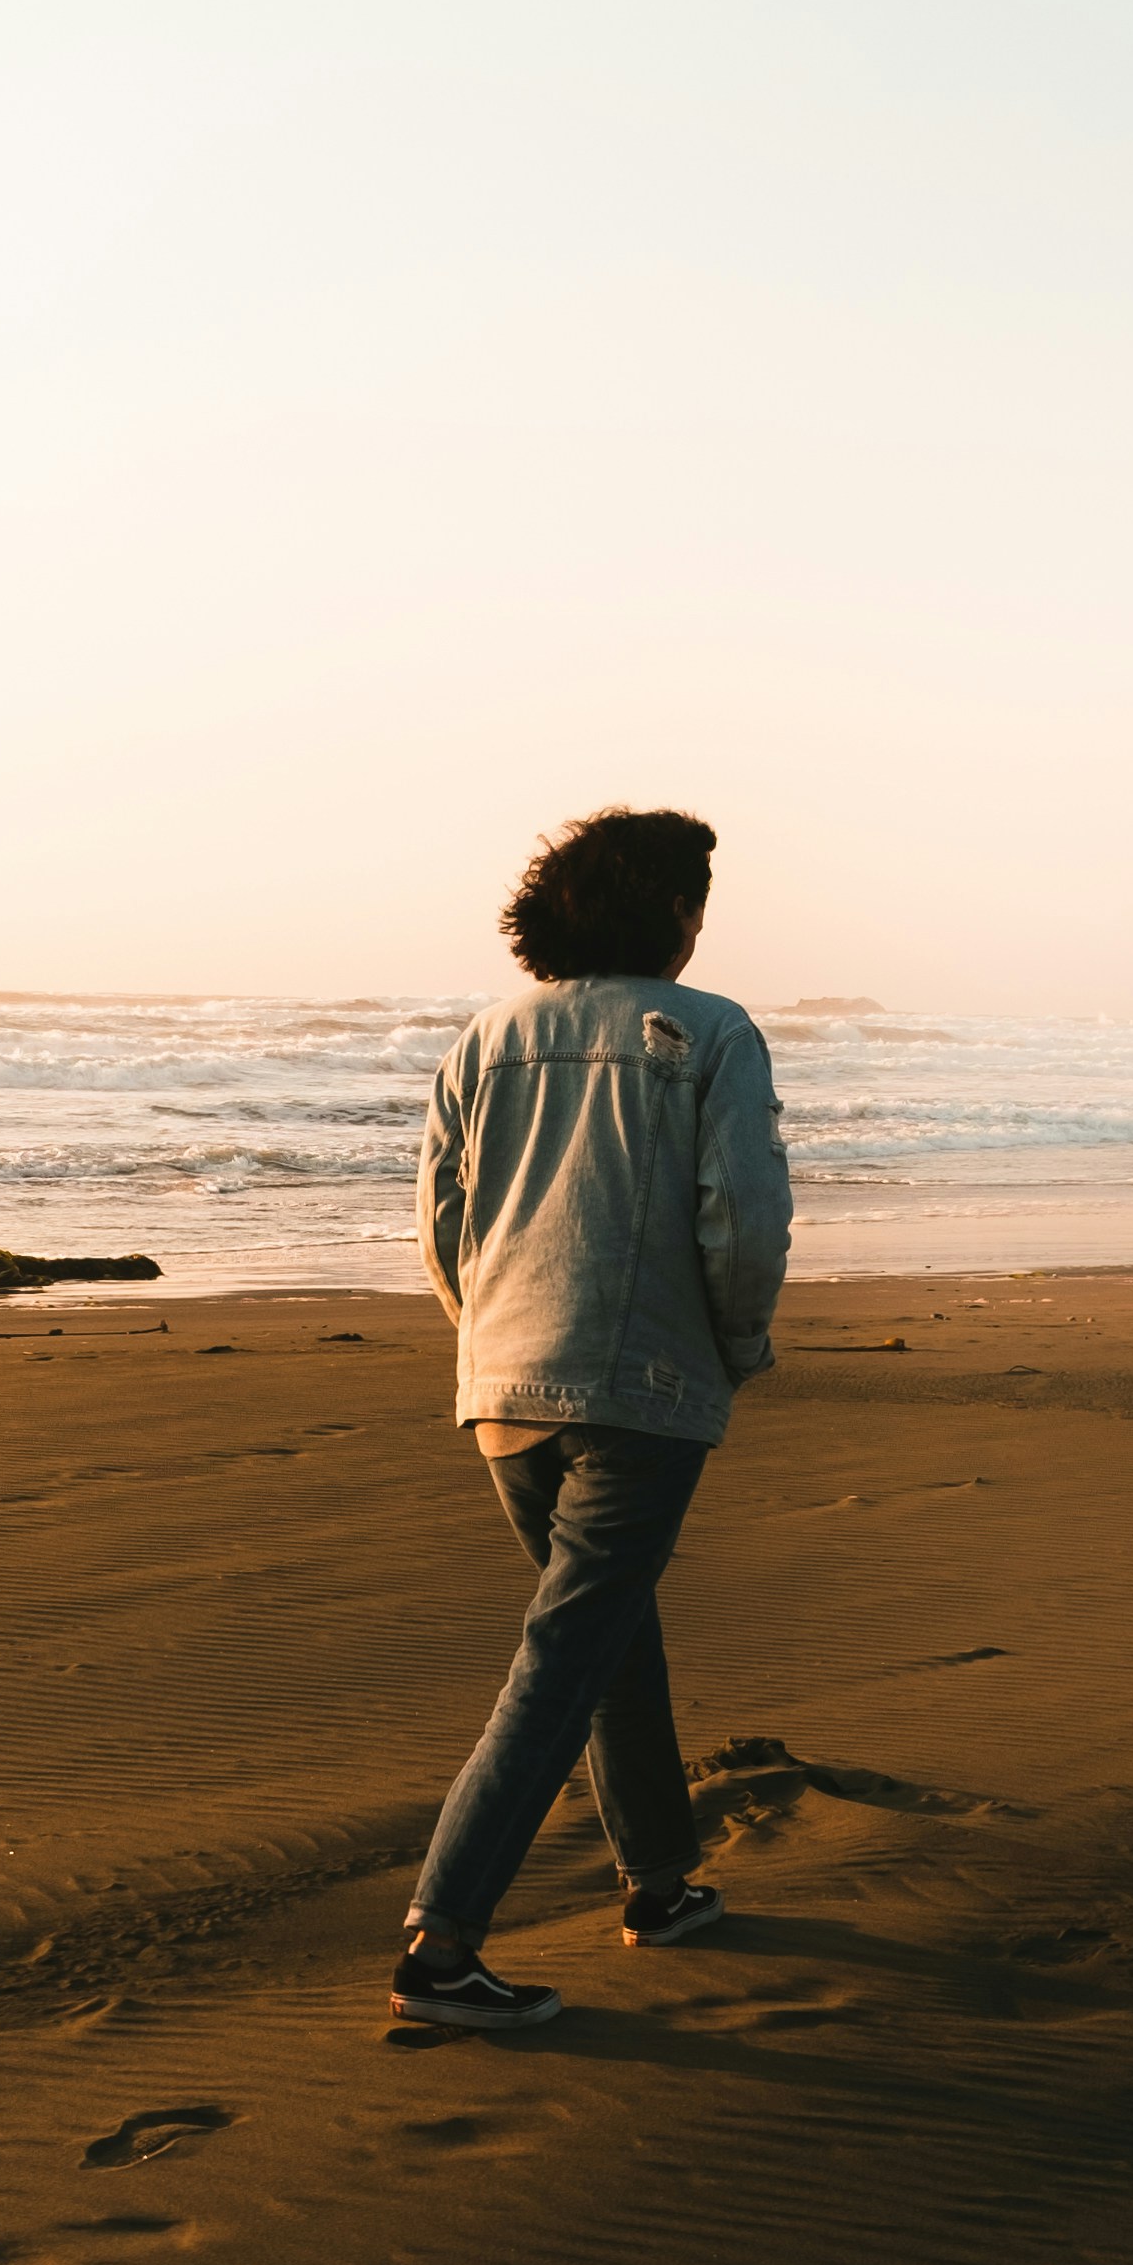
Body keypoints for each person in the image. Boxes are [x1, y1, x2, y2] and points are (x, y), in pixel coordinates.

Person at [391, 802, 793, 2035]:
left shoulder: (489, 1033)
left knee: (610, 1632)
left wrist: (489, 1335)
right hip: (644, 1384)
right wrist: (732, 1346)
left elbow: (442, 1221)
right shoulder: (708, 1031)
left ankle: (657, 1880)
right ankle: (442, 1940)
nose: (698, 926)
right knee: (567, 1653)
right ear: (668, 913)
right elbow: (743, 1215)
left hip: (503, 1380)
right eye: (694, 905)